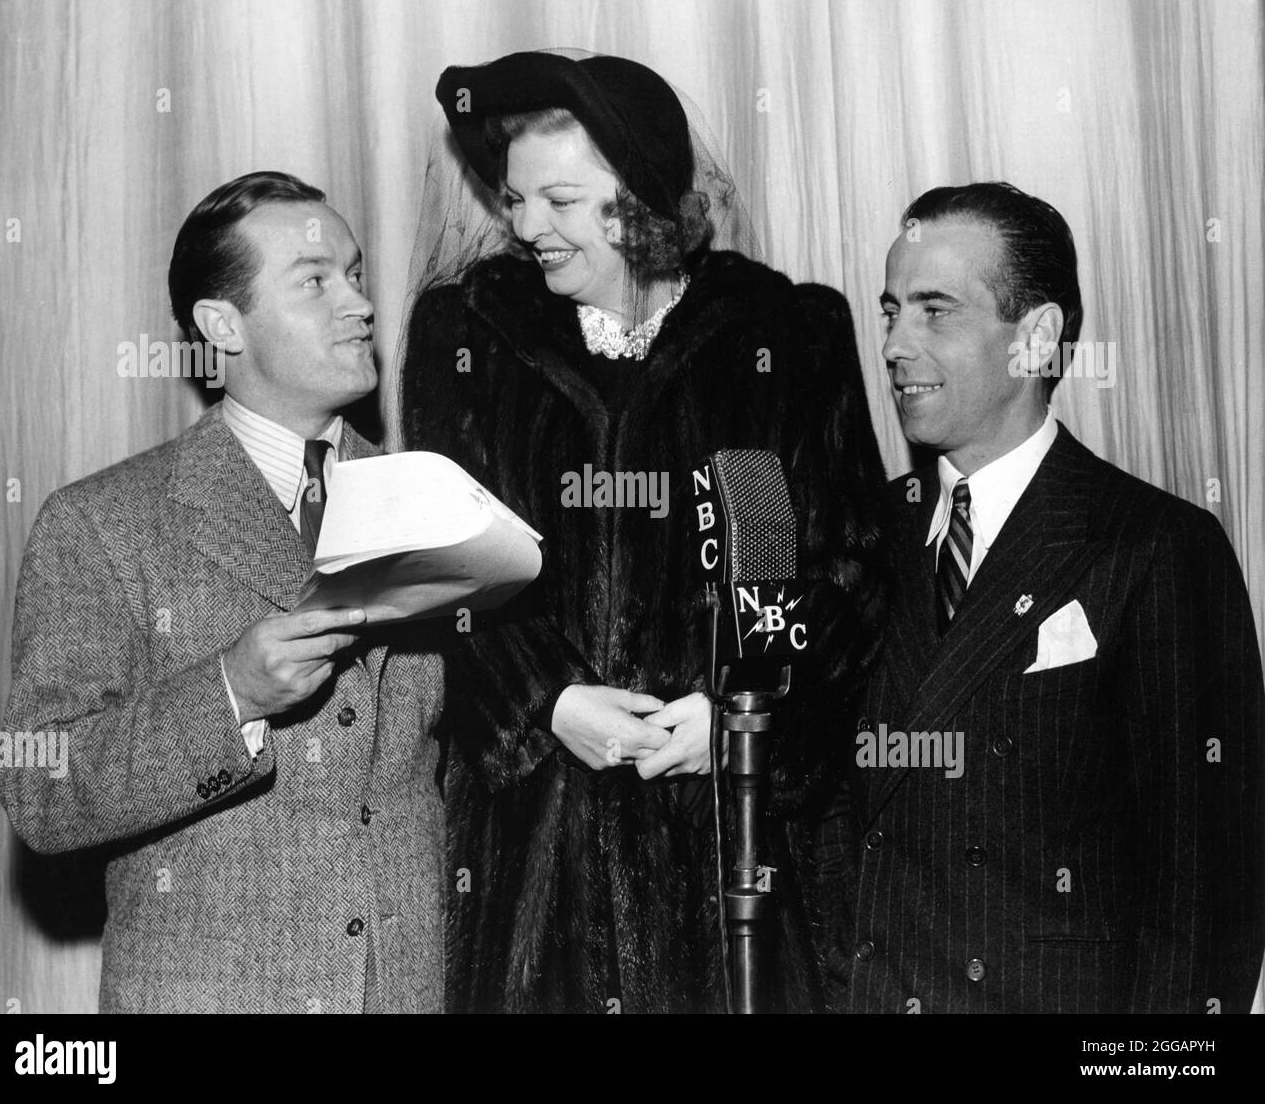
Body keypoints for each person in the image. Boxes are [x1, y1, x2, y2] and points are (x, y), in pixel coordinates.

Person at [401, 51, 887, 1013]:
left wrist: (741, 721)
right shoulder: (468, 338)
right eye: (516, 199)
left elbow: (845, 574)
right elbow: (434, 574)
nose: (526, 227)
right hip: (532, 864)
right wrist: (546, 703)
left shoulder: (781, 336)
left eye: (562, 201)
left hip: (724, 857)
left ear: (642, 205)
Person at [0, 171, 444, 1013]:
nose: (359, 304)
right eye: (315, 282)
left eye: (353, 274)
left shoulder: (431, 501)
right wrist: (230, 693)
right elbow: (40, 787)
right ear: (220, 325)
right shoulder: (101, 523)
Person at [841, 181, 1264, 1013]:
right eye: (890, 311)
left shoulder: (1157, 548)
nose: (894, 344)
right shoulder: (858, 537)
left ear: (1036, 338)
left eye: (936, 311)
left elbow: (1207, 897)